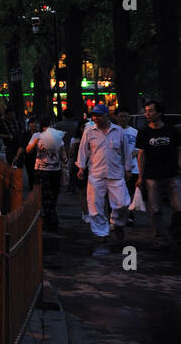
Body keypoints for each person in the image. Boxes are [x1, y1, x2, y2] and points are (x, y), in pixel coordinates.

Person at [76, 103, 132, 243]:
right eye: (94, 116)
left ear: (107, 116)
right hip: (96, 174)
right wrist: (81, 168)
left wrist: (128, 169)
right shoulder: (89, 131)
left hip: (116, 174)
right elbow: (83, 151)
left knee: (123, 203)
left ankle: (117, 223)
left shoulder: (118, 131)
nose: (96, 118)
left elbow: (126, 152)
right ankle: (101, 233)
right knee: (95, 205)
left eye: (99, 116)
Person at [137, 100, 181, 246]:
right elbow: (141, 155)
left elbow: (179, 149)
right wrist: (140, 176)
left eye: (150, 111)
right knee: (155, 209)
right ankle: (159, 237)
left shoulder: (171, 130)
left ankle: (176, 230)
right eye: (146, 111)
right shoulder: (144, 132)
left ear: (160, 113)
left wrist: (179, 165)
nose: (147, 114)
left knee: (178, 206)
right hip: (152, 176)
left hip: (172, 174)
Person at [26, 117, 66, 231]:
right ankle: (50, 220)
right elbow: (28, 150)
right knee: (46, 195)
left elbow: (62, 148)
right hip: (42, 169)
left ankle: (49, 217)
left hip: (56, 169)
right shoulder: (37, 136)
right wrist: (35, 141)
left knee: (54, 193)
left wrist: (64, 157)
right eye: (50, 125)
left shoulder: (56, 135)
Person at [117, 109, 139, 225]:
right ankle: (120, 215)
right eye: (121, 116)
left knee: (130, 193)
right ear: (117, 118)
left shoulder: (135, 132)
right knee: (120, 193)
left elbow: (138, 149)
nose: (123, 119)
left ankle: (130, 214)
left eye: (126, 116)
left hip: (133, 168)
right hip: (117, 168)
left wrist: (129, 159)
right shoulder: (113, 131)